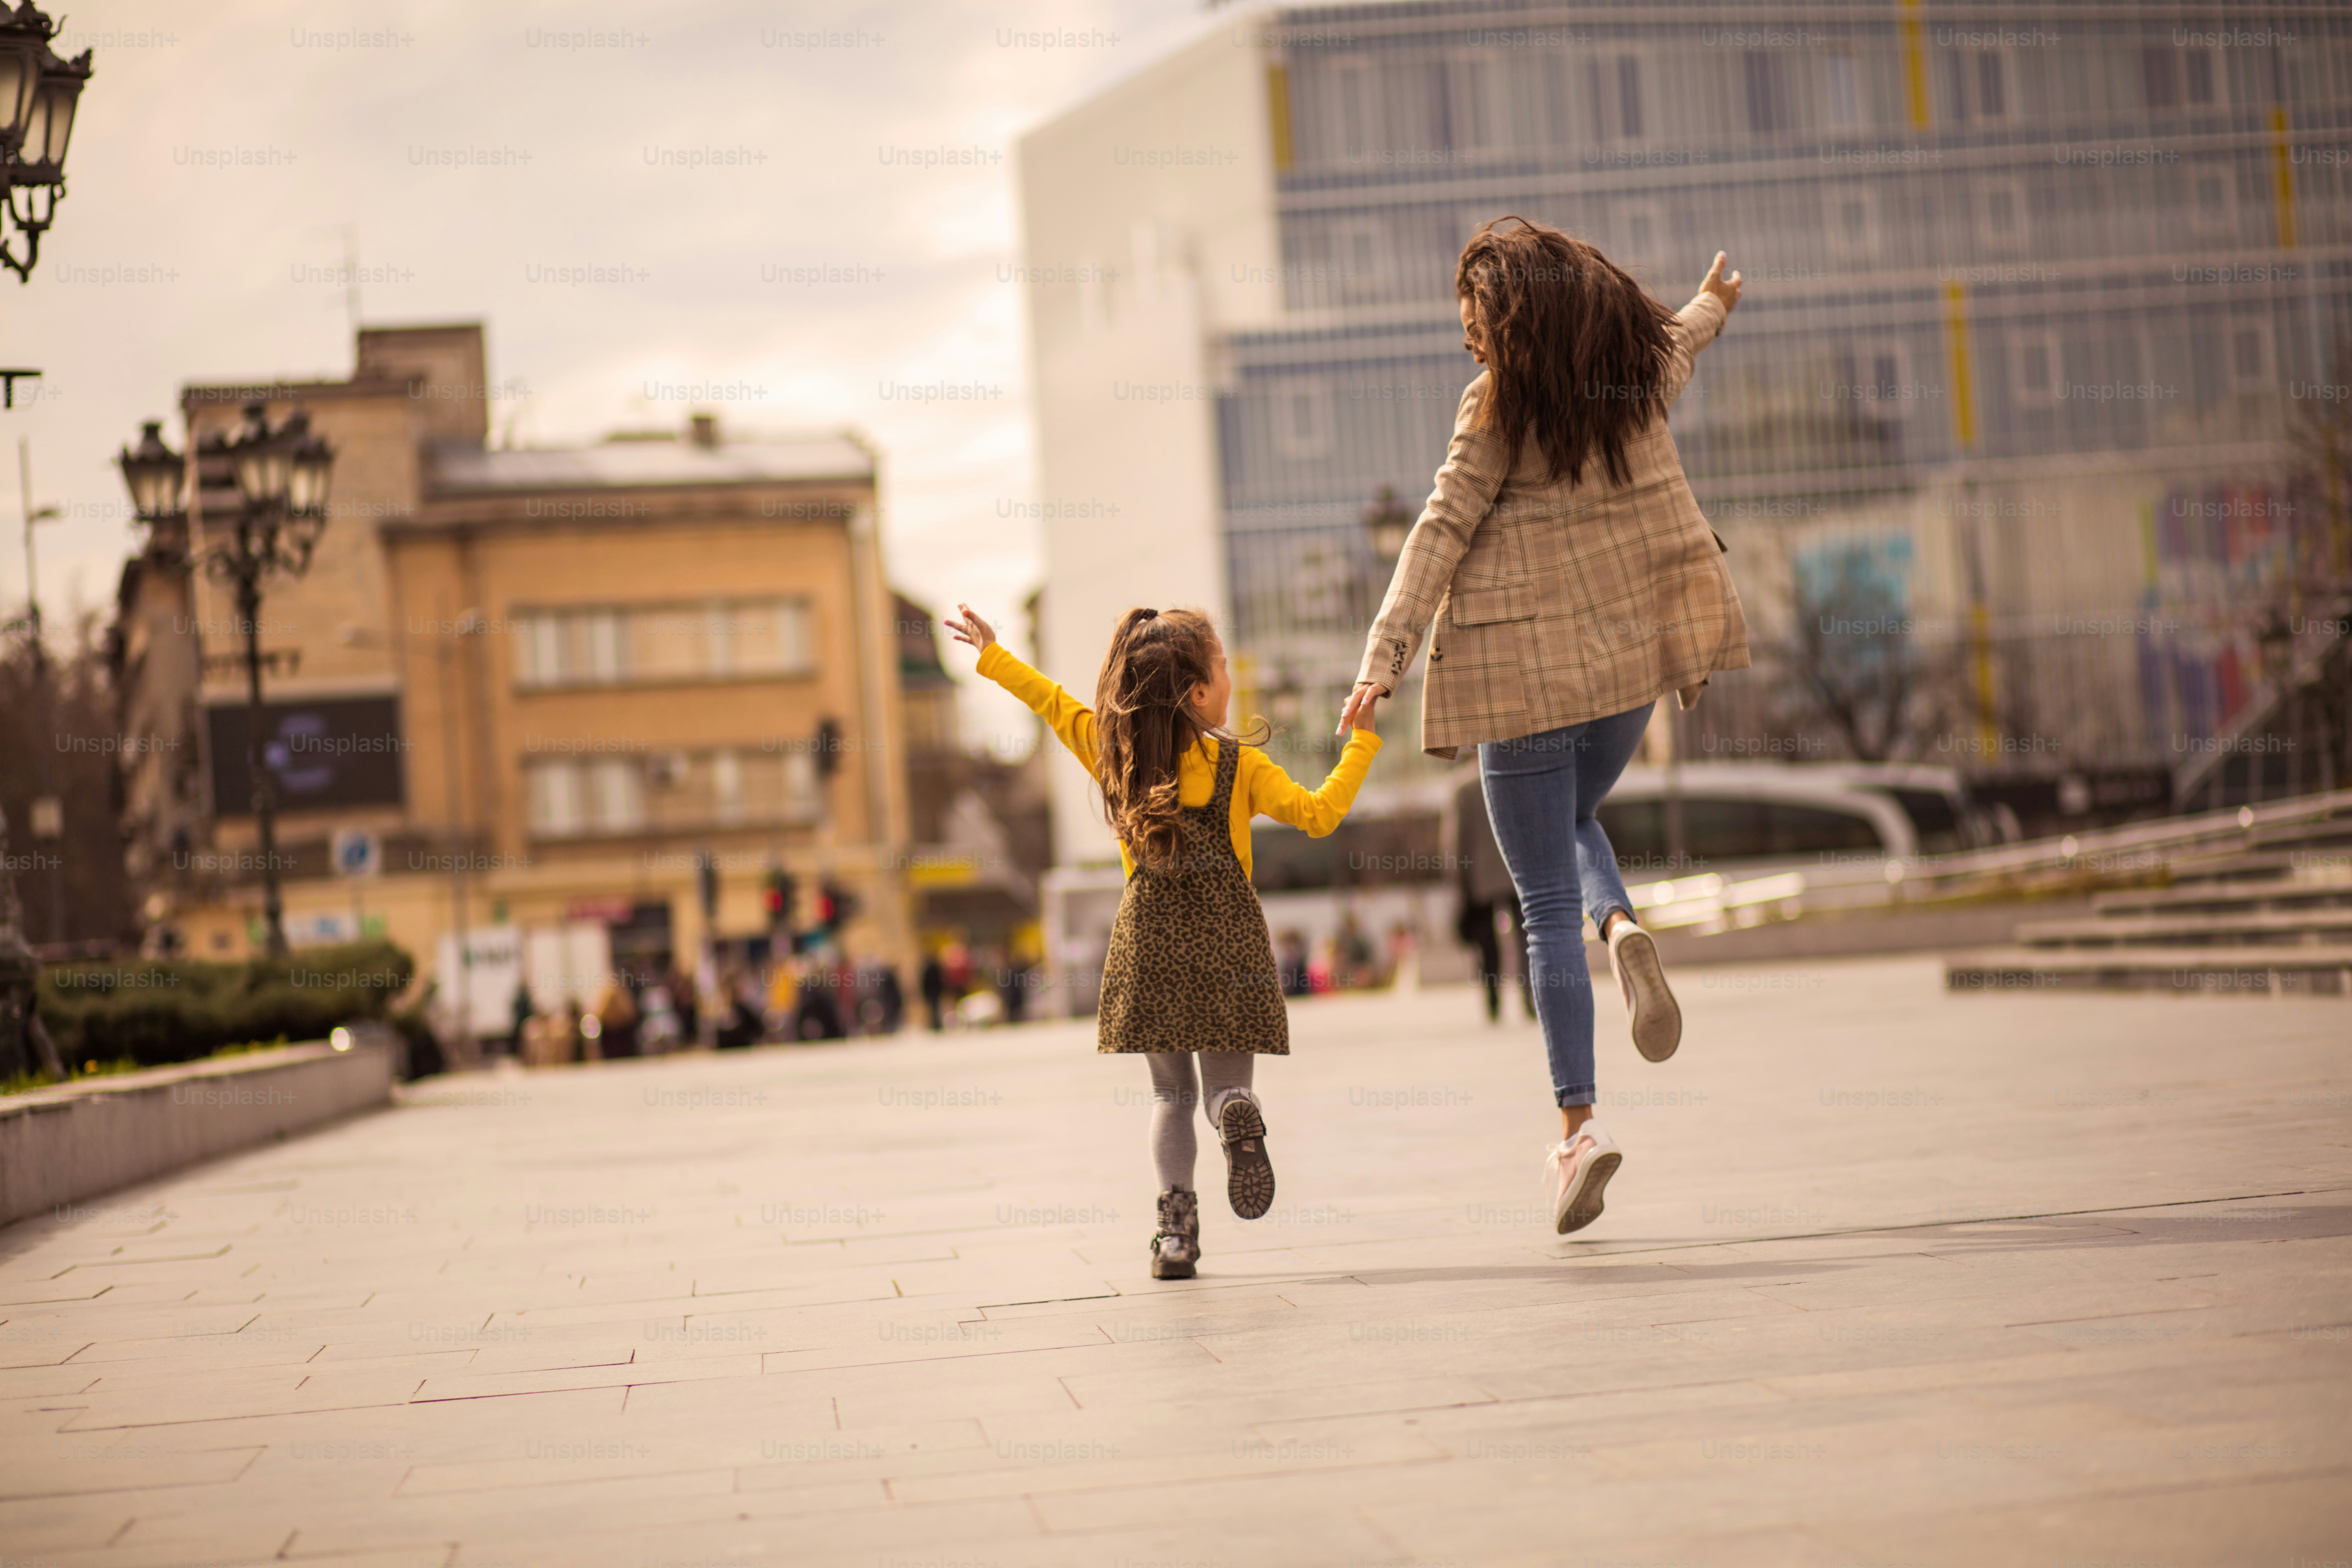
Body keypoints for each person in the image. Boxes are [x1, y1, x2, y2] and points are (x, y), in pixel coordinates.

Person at [1341, 218, 1749, 1237]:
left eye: (1476, 325)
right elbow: (1682, 341)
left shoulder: (1495, 406)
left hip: (1519, 685)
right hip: (1627, 672)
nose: (1469, 343)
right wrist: (1713, 301)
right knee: (1574, 824)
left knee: (1541, 904)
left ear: (1512, 321)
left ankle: (1579, 1130)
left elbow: (1438, 529)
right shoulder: (1632, 372)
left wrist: (1382, 659)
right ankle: (1623, 926)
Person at [948, 601, 1379, 1280]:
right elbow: (1320, 814)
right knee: (1221, 1085)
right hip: (1229, 942)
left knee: (1170, 1095)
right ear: (1198, 692)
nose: (1231, 677)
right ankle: (1234, 1107)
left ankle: (1175, 1233)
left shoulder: (1117, 754)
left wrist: (993, 655)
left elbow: (1052, 703)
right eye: (1223, 666)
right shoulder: (1240, 764)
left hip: (1151, 943)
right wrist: (1362, 742)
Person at [1448, 768, 1534, 1024]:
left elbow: (1455, 838)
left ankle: (1493, 999)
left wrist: (1458, 877)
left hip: (1480, 877)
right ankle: (1531, 998)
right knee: (1526, 939)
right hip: (1517, 870)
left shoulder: (1463, 788)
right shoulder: (1513, 775)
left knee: (1488, 945)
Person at [918, 951, 947, 1032]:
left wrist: (924, 992)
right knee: (935, 1008)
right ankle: (936, 1024)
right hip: (935, 992)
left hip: (931, 992)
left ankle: (935, 1024)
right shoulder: (935, 967)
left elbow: (925, 982)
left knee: (933, 1009)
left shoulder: (928, 968)